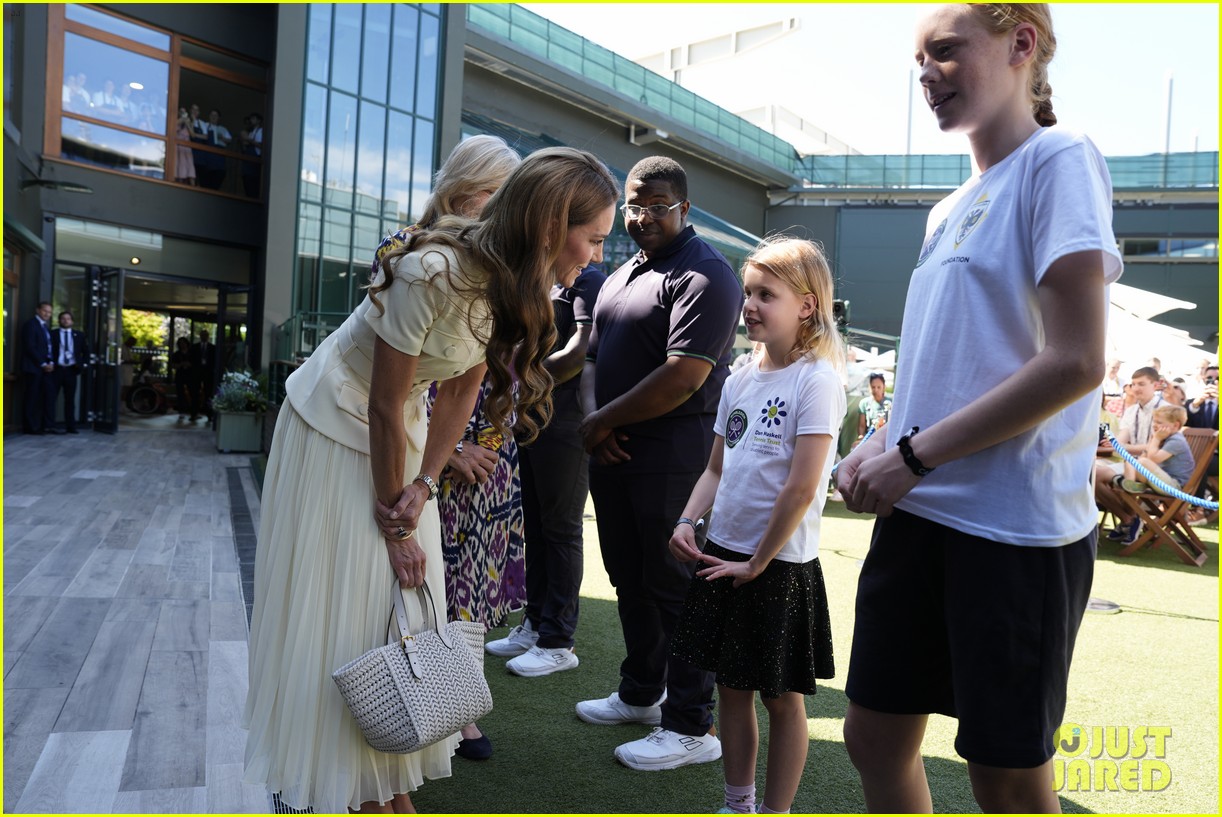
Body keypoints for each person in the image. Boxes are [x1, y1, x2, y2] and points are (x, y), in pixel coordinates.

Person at [243, 146, 619, 814]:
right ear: (549, 227)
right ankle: (354, 791)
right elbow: (384, 404)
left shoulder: (516, 281)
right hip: (332, 428)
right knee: (355, 619)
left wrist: (424, 486)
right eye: (590, 239)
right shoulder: (432, 271)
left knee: (403, 618)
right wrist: (396, 521)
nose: (593, 256)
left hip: (401, 435)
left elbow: (464, 385)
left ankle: (386, 791)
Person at [836, 5, 1123, 812]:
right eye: (919, 58)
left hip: (1013, 531)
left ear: (1021, 44)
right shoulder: (946, 208)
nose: (926, 72)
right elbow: (947, 365)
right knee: (872, 735)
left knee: (1004, 773)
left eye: (947, 50)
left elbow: (1074, 361)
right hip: (920, 511)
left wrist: (913, 455)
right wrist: (884, 440)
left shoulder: (1059, 157)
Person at [668, 237, 845, 814]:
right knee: (731, 690)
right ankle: (737, 802)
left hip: (778, 566)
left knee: (783, 701)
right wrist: (689, 520)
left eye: (766, 294)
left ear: (807, 306)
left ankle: (775, 810)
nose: (750, 304)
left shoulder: (816, 380)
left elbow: (801, 487)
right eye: (749, 292)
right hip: (723, 554)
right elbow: (717, 466)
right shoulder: (740, 374)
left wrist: (758, 561)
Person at [576, 155, 742, 771]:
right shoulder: (621, 276)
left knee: (677, 587)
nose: (642, 217)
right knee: (629, 577)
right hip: (612, 450)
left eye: (657, 206)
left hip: (674, 456)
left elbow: (684, 376)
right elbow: (591, 359)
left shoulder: (705, 276)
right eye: (633, 205)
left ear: (685, 208)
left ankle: (691, 725)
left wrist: (603, 422)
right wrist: (598, 426)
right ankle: (643, 692)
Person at [371, 133, 524, 761]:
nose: (501, 212)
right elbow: (398, 388)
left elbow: (489, 373)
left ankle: (459, 700)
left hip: (492, 444)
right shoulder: (416, 258)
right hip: (426, 440)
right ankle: (422, 706)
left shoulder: (506, 269)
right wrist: (447, 454)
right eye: (492, 195)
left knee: (476, 584)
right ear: (460, 191)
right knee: (435, 577)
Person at [486, 257, 607, 678]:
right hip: (532, 415)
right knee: (535, 525)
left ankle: (558, 640)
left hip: (566, 419)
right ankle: (535, 624)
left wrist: (524, 381)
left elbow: (580, 351)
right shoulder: (547, 278)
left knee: (560, 527)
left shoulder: (588, 278)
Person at [1095, 366, 1162, 544]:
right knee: (1093, 473)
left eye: (1142, 384)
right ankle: (1129, 519)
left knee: (1116, 474)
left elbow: (1155, 448)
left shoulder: (1165, 409)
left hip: (1157, 468)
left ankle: (1132, 519)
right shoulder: (1131, 411)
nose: (1136, 388)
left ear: (1155, 385)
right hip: (1131, 464)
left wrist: (1120, 445)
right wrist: (1115, 443)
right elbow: (1121, 440)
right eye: (1133, 384)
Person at [1114, 404, 1195, 496]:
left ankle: (1124, 483)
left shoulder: (1176, 441)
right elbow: (1144, 456)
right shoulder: (1163, 438)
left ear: (1175, 425)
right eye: (1154, 421)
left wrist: (1156, 439)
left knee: (1143, 462)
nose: (1154, 425)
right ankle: (1130, 485)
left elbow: (1153, 459)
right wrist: (1153, 441)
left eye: (1159, 422)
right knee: (1131, 460)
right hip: (1160, 480)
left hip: (1173, 486)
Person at [21, 302, 58, 435]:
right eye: (44, 311)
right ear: (38, 310)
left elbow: (48, 348)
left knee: (48, 396)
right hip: (34, 368)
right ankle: (30, 427)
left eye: (49, 312)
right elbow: (30, 347)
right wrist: (43, 363)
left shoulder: (45, 327)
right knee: (32, 397)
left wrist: (51, 362)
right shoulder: (30, 325)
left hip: (46, 369)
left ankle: (46, 425)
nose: (47, 314)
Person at [49, 310, 88, 434]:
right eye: (63, 318)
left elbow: (85, 352)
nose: (66, 321)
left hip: (71, 370)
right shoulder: (52, 334)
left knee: (70, 400)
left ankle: (71, 426)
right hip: (56, 370)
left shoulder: (79, 335)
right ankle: (50, 425)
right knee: (51, 398)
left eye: (68, 319)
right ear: (59, 321)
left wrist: (83, 366)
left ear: (72, 321)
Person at [190, 329, 217, 421]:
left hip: (208, 373)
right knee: (195, 394)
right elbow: (191, 360)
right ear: (200, 336)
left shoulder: (212, 348)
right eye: (202, 335)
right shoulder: (194, 347)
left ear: (208, 336)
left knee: (208, 394)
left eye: (205, 335)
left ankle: (209, 415)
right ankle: (194, 413)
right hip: (196, 373)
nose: (204, 337)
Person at [856, 372, 891, 440]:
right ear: (869, 387)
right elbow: (862, 426)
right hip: (870, 438)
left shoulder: (891, 402)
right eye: (873, 387)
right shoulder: (864, 403)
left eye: (879, 387)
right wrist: (861, 437)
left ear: (884, 387)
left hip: (886, 437)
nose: (876, 390)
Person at [239, 112, 264, 197]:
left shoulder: (261, 131)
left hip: (254, 164)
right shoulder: (251, 132)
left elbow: (261, 145)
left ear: (259, 120)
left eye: (253, 119)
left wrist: (249, 140)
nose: (251, 121)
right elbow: (245, 147)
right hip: (247, 164)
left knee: (253, 187)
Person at [171, 337, 194, 420]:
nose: (182, 344)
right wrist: (180, 365)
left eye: (183, 343)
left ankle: (193, 411)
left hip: (190, 375)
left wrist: (189, 364)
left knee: (192, 393)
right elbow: (173, 365)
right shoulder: (176, 354)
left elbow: (196, 364)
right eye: (180, 343)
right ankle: (181, 411)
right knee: (180, 393)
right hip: (180, 375)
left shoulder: (192, 353)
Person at [175, 108, 197, 186]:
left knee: (189, 166)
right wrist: (181, 120)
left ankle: (193, 187)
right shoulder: (176, 121)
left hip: (187, 147)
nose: (183, 113)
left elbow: (193, 135)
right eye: (181, 112)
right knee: (179, 166)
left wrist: (187, 123)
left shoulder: (188, 122)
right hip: (178, 147)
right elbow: (171, 129)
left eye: (184, 112)